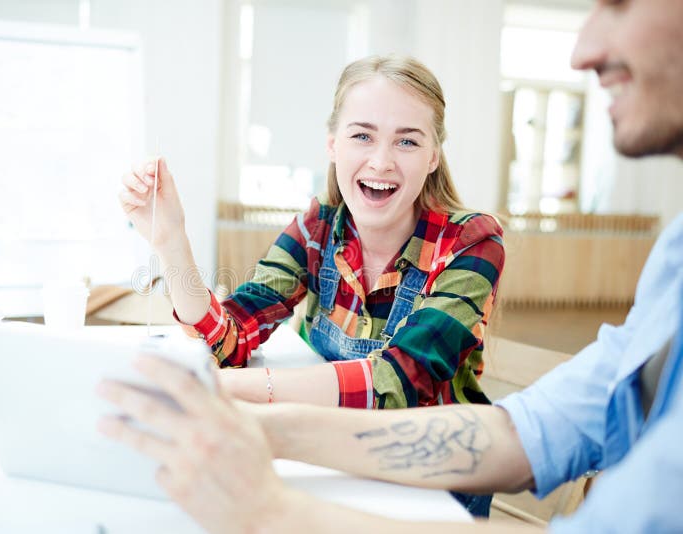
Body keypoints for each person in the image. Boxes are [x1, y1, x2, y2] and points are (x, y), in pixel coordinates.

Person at [101, 0, 683, 531]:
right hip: (333, 457)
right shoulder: (318, 226)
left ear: (434, 155)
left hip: (428, 485)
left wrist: (228, 393)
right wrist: (171, 242)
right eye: (362, 135)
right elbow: (229, 338)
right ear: (332, 143)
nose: (381, 161)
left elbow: (397, 382)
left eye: (407, 141)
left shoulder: (472, 242)